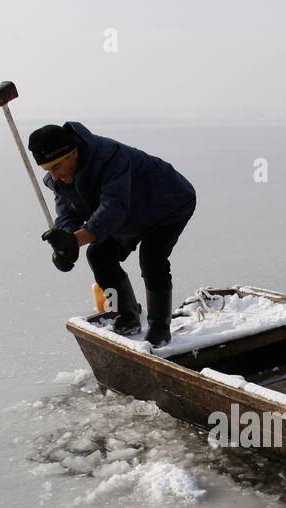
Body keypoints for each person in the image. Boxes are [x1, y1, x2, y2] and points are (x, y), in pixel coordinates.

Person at [28, 122, 196, 347]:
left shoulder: (110, 158)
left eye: (57, 166)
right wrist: (65, 243)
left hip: (167, 204)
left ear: (73, 153)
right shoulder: (59, 180)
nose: (54, 175)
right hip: (129, 215)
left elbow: (113, 209)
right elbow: (68, 213)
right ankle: (128, 317)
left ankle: (159, 329)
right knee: (99, 254)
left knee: (152, 259)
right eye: (48, 169)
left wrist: (76, 240)